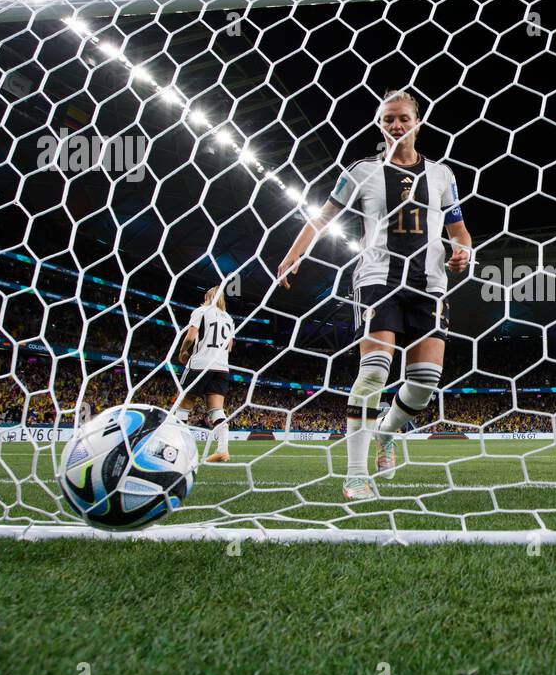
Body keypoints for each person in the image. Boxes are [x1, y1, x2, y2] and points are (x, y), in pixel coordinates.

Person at [275, 90, 473, 500]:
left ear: (418, 121)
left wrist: (463, 253)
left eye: (402, 118)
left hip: (430, 285)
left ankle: (386, 433)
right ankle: (354, 475)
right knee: (374, 372)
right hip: (378, 280)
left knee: (424, 383)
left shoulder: (442, 175)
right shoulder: (362, 170)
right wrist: (294, 255)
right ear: (379, 124)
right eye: (387, 120)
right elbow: (324, 216)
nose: (395, 126)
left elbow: (459, 231)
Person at [175, 285, 235, 463]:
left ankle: (181, 449)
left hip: (200, 365)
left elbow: (190, 337)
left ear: (207, 296)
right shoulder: (229, 319)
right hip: (222, 367)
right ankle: (223, 450)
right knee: (217, 410)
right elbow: (229, 347)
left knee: (182, 406)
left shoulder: (201, 311)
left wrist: (182, 352)